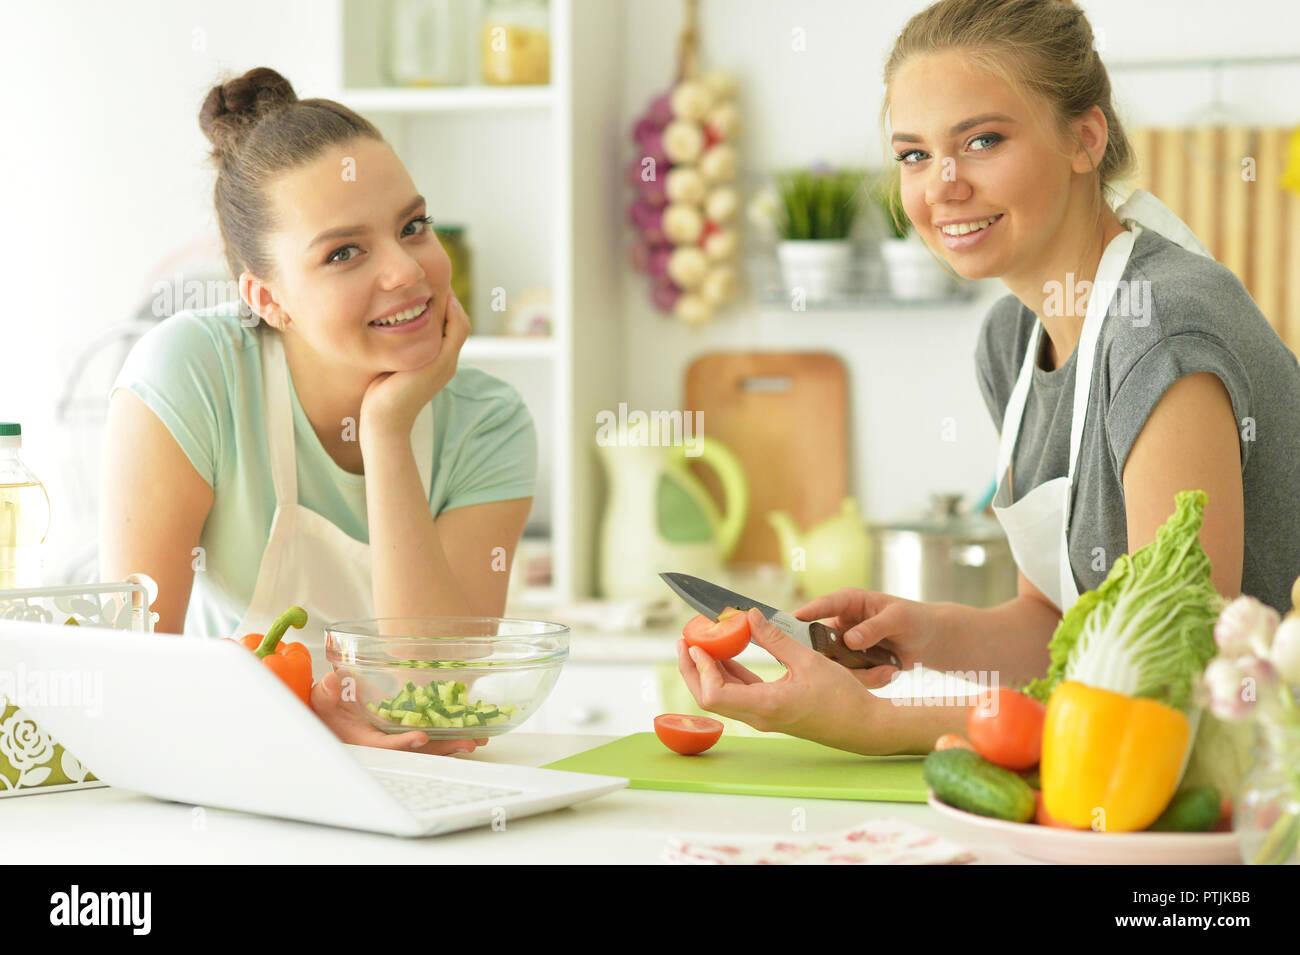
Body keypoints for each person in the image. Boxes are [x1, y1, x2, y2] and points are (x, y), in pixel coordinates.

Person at [678, 0, 1300, 755]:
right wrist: (929, 631)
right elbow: (1054, 628)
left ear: (1085, 137)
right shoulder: (1012, 339)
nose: (941, 185)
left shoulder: (1162, 328)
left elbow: (1164, 682)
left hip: (1254, 794)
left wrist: (873, 720)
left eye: (981, 140)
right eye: (913, 154)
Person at [100, 67, 537, 756]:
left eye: (412, 226)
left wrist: (389, 432)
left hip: (418, 794)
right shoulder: (192, 374)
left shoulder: (487, 421)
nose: (406, 271)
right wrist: (302, 719)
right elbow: (127, 675)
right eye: (343, 252)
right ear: (267, 299)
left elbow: (436, 688)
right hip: (225, 772)